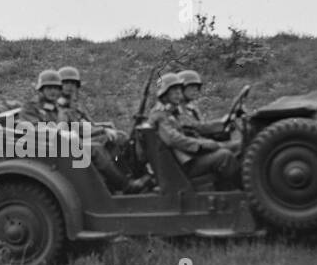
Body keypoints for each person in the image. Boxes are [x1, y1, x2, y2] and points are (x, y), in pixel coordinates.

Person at [53, 65, 150, 194]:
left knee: (121, 138)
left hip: (81, 137)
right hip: (72, 142)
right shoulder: (59, 107)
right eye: (66, 83)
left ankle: (131, 174)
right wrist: (102, 130)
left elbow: (89, 123)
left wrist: (105, 126)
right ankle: (125, 184)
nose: (70, 86)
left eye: (73, 83)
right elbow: (74, 129)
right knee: (102, 145)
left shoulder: (75, 105)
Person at [149, 73, 240, 189]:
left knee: (231, 149)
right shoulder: (160, 115)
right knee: (224, 156)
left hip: (186, 157)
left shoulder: (172, 112)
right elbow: (174, 139)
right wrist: (202, 145)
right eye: (174, 90)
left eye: (180, 90)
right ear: (164, 93)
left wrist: (207, 142)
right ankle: (248, 190)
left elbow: (191, 130)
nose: (179, 93)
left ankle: (234, 188)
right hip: (181, 165)